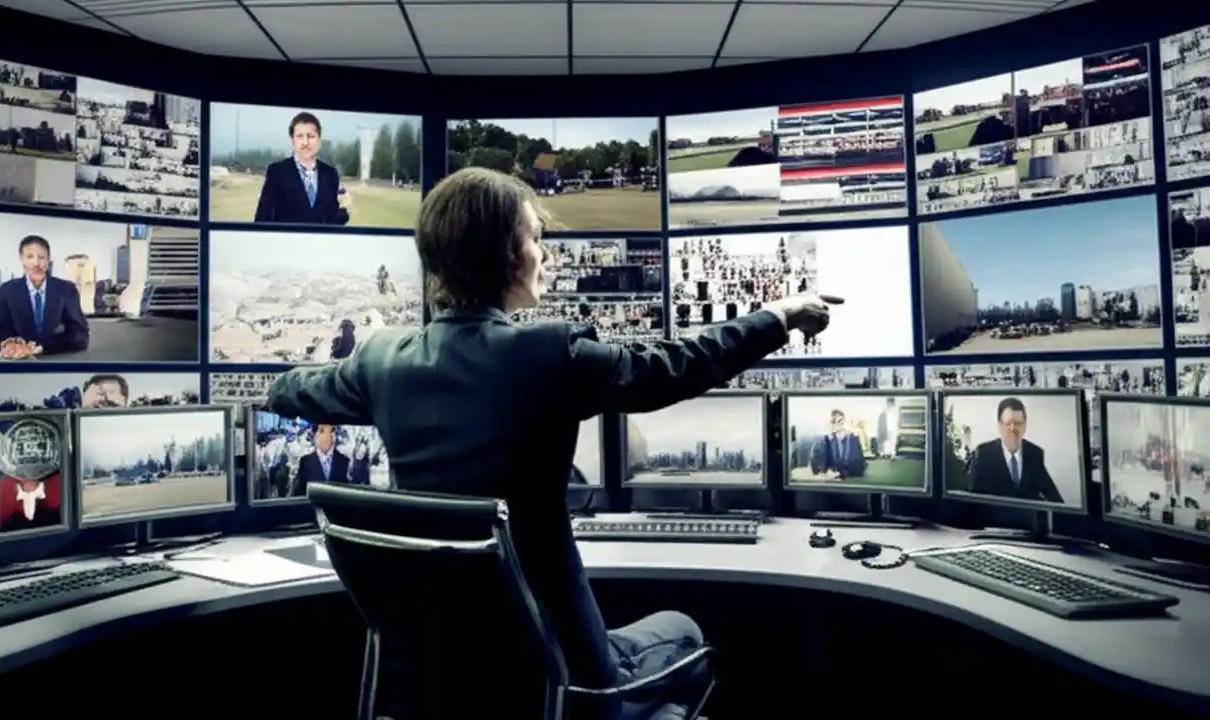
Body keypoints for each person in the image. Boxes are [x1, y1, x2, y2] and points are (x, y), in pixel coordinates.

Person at [266, 166, 840, 718]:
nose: (545, 254)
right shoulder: (549, 354)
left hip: (447, 680)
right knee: (685, 631)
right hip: (567, 674)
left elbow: (296, 390)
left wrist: (277, 386)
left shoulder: (380, 360)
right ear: (507, 254)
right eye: (537, 238)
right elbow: (679, 364)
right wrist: (778, 315)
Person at [0, 235, 90, 359]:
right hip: (18, 362)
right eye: (29, 257)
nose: (36, 263)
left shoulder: (66, 289)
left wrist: (40, 347)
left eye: (41, 257)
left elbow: (80, 335)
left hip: (56, 360)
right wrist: (8, 344)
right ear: (21, 259)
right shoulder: (8, 290)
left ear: (48, 260)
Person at [253, 111, 350, 226]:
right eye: (300, 136)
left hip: (320, 243)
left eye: (311, 136)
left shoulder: (330, 174)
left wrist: (344, 212)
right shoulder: (277, 172)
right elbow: (262, 219)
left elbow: (332, 223)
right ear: (292, 141)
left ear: (319, 140)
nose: (305, 142)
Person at [968, 397, 1063, 503]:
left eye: (1018, 423)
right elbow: (973, 500)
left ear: (1025, 425)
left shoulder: (1035, 454)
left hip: (1028, 519)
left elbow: (1054, 498)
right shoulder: (984, 454)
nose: (1013, 429)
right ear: (999, 425)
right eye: (1008, 423)